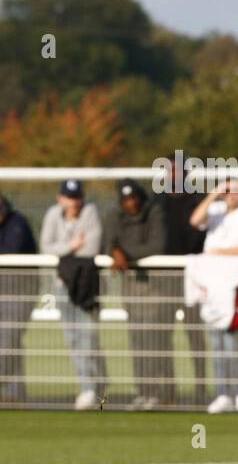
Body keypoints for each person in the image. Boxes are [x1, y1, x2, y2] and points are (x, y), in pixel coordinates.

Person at [191, 179, 238, 414]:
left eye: (235, 191)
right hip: (213, 285)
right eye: (228, 191)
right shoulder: (217, 210)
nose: (231, 195)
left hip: (233, 283)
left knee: (231, 341)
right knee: (216, 342)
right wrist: (214, 195)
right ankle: (223, 393)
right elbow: (195, 220)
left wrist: (217, 252)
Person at [39, 180, 106, 410]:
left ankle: (95, 389)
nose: (73, 202)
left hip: (86, 286)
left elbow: (92, 247)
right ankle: (90, 388)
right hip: (62, 286)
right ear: (60, 198)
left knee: (88, 338)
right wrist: (72, 245)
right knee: (72, 339)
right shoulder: (52, 214)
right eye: (69, 197)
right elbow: (46, 246)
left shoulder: (90, 212)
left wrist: (66, 248)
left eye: (77, 197)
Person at [103, 179, 167, 409]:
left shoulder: (154, 212)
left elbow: (157, 246)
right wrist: (114, 251)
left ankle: (156, 392)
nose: (131, 204)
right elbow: (108, 242)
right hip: (129, 285)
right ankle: (142, 391)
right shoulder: (113, 214)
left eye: (134, 199)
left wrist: (125, 255)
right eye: (126, 200)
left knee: (153, 338)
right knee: (137, 338)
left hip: (155, 285)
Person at [160, 159, 209, 406]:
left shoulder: (197, 201)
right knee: (162, 336)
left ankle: (201, 389)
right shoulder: (158, 202)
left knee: (195, 335)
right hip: (164, 278)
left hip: (194, 275)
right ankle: (168, 390)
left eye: (179, 169)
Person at [0, 193, 38, 404]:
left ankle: (10, 388)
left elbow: (11, 251)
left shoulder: (18, 223)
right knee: (10, 342)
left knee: (7, 340)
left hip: (19, 292)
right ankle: (16, 393)